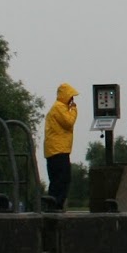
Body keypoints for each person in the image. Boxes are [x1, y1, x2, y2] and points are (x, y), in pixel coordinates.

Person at [43, 82, 79, 210]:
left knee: (57, 179)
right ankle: (56, 204)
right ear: (66, 96)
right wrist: (74, 109)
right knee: (63, 178)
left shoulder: (58, 108)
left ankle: (53, 204)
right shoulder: (59, 108)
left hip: (54, 149)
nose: (72, 100)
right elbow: (69, 122)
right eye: (71, 96)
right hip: (58, 149)